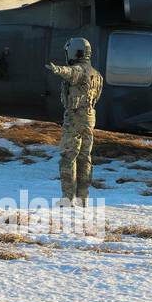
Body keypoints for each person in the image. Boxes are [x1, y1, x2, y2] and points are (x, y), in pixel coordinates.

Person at [46, 37, 103, 205]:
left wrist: (57, 70)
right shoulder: (97, 75)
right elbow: (97, 97)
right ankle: (83, 198)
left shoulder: (79, 70)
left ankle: (67, 198)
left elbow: (71, 72)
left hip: (75, 118)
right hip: (90, 118)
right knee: (85, 157)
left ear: (75, 51)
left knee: (68, 156)